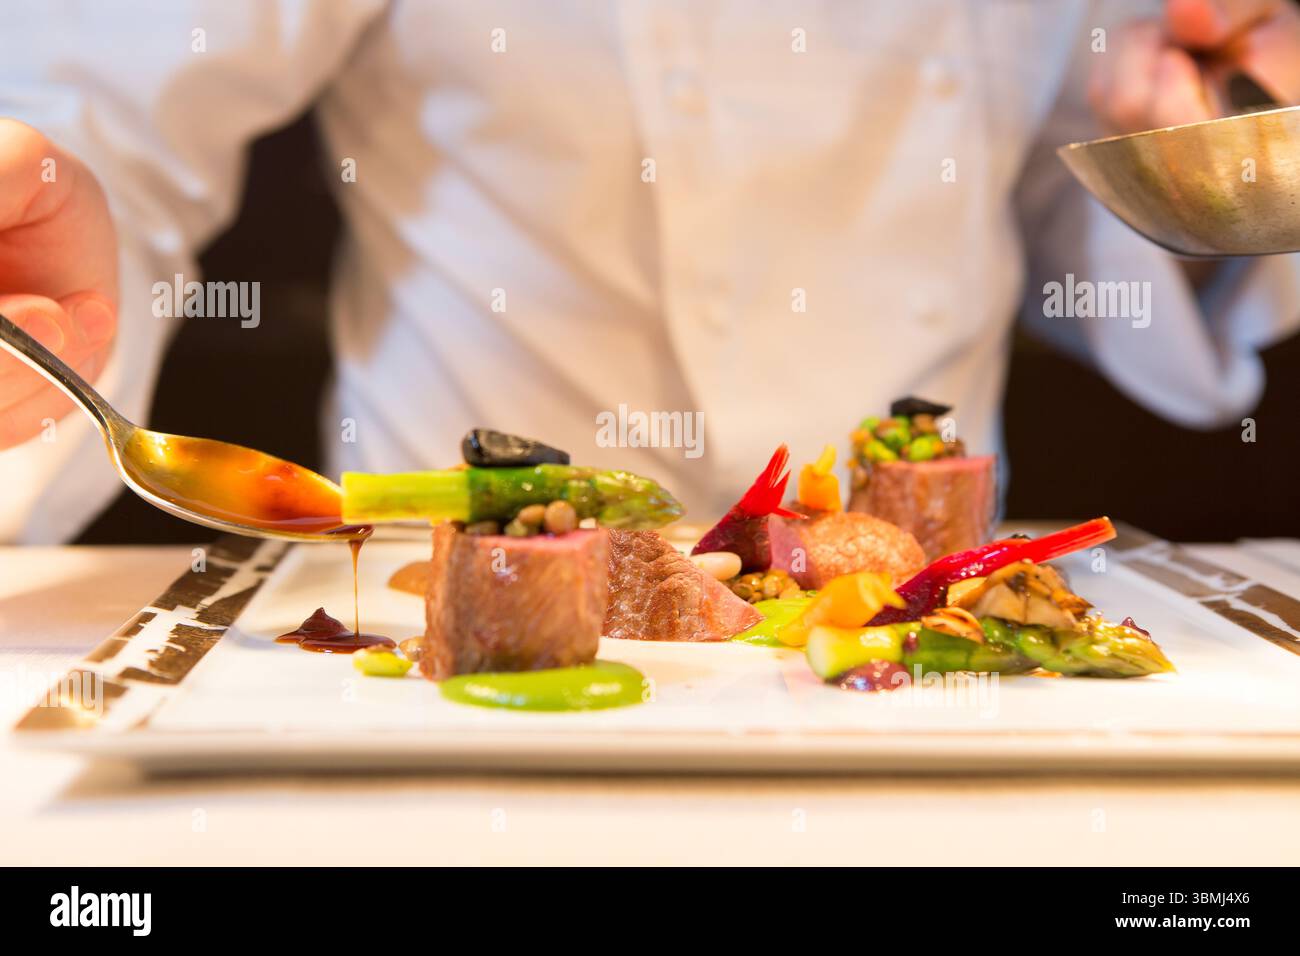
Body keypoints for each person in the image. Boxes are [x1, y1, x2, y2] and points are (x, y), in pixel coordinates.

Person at [1, 0, 1298, 543]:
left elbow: (1076, 197)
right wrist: (40, 258)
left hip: (927, 659)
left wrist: (1213, 119)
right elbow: (93, 101)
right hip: (440, 647)